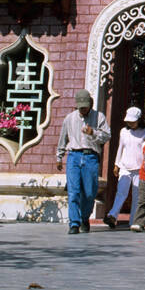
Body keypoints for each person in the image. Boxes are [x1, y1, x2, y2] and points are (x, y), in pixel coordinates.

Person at [55, 89, 112, 234]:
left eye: (85, 107)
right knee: (73, 191)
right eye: (81, 107)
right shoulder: (70, 118)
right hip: (74, 155)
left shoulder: (99, 117)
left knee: (89, 192)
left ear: (91, 104)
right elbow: (63, 138)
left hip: (90, 156)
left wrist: (93, 133)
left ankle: (84, 217)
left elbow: (107, 136)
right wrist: (59, 156)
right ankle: (74, 223)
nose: (83, 110)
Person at [107, 107, 145, 228]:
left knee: (137, 196)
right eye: (129, 121)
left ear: (139, 120)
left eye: (133, 121)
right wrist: (116, 164)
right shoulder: (123, 131)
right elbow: (120, 148)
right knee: (121, 193)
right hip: (125, 166)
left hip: (139, 168)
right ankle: (113, 215)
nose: (130, 123)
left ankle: (134, 220)